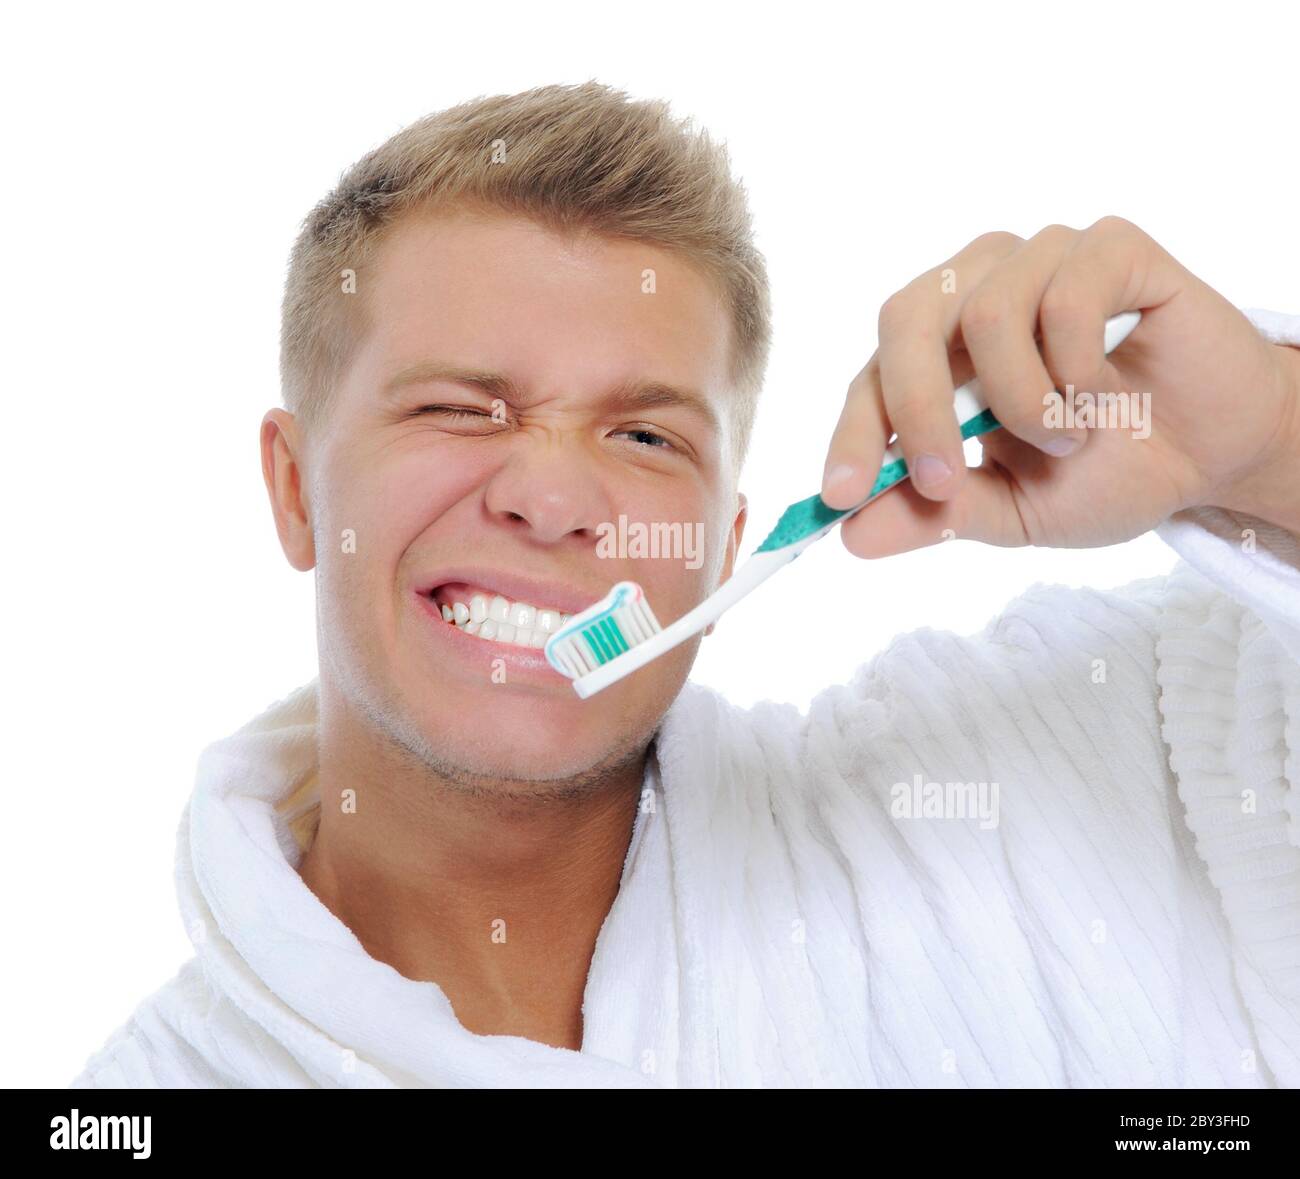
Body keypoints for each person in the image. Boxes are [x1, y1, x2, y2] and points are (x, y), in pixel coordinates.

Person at [71, 80, 1300, 1088]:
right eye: (458, 409)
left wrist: (1259, 447)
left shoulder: (1037, 792)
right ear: (295, 491)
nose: (549, 500)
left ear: (726, 544)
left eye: (646, 437)